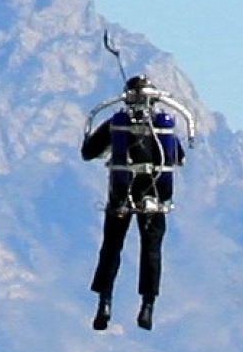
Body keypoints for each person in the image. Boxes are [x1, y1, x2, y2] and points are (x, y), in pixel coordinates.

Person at [80, 75, 186, 331]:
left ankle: (104, 303)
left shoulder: (117, 124)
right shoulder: (162, 126)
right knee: (151, 250)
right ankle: (147, 307)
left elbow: (88, 152)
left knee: (111, 248)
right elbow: (178, 157)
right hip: (155, 196)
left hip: (121, 194)